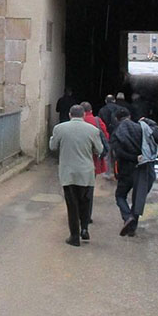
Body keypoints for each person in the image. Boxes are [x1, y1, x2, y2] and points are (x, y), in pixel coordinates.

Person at [49, 104, 103, 247]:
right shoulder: (93, 130)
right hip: (86, 172)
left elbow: (53, 146)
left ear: (69, 114)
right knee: (85, 201)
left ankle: (74, 236)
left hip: (68, 173)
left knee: (72, 205)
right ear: (84, 115)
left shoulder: (60, 128)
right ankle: (84, 228)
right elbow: (99, 149)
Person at [110, 107, 158, 237]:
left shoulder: (116, 132)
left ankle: (127, 217)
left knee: (120, 195)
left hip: (125, 170)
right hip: (143, 169)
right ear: (130, 116)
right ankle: (132, 226)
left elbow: (118, 153)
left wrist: (132, 158)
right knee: (138, 198)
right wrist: (148, 120)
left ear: (117, 119)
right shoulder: (141, 127)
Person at [81, 101, 109, 224]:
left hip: (79, 160)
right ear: (91, 110)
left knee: (77, 188)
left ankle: (77, 213)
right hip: (93, 160)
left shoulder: (76, 123)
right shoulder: (97, 121)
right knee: (89, 189)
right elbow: (105, 136)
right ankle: (87, 216)